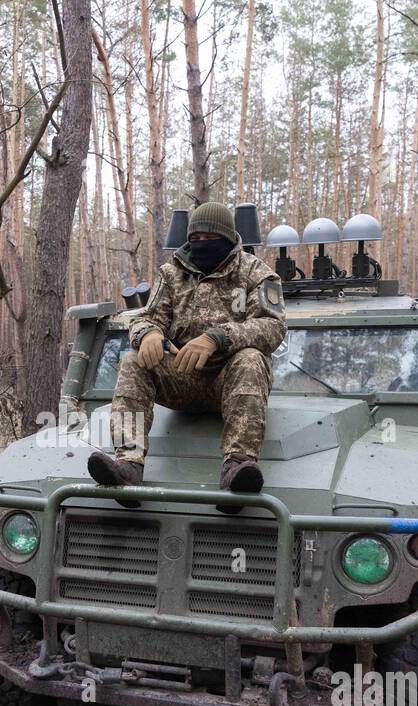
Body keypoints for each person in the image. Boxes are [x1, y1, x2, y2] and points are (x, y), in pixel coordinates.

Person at [87, 201, 286, 497]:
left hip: (231, 382)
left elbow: (273, 326)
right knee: (133, 361)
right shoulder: (172, 274)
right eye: (195, 239)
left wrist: (218, 337)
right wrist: (149, 334)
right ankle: (128, 464)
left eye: (210, 239)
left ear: (228, 238)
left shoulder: (255, 273)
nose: (201, 245)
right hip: (182, 377)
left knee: (251, 358)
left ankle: (238, 465)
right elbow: (145, 317)